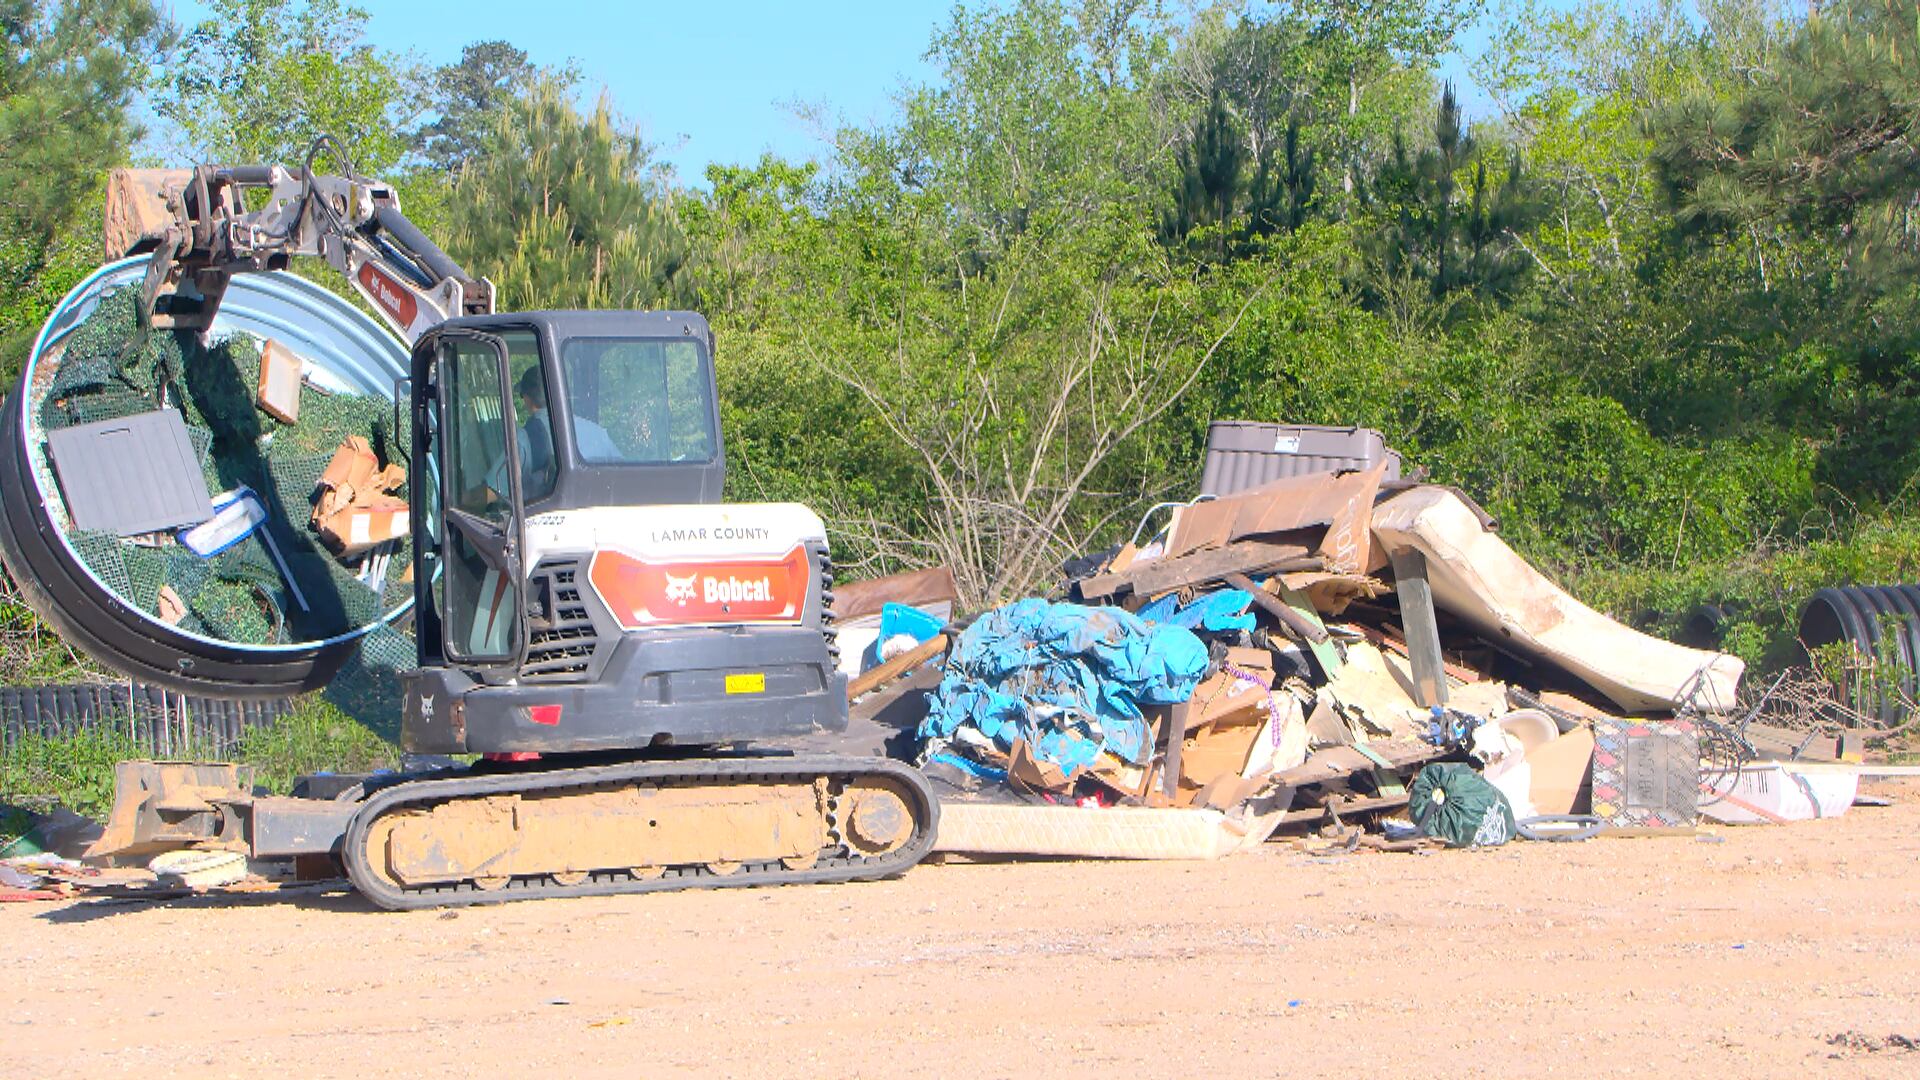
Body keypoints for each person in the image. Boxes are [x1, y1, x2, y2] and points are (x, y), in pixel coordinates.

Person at [486, 364, 621, 500]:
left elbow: (492, 492)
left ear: (527, 399)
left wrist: (467, 499)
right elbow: (622, 478)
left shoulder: (523, 439)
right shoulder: (598, 434)